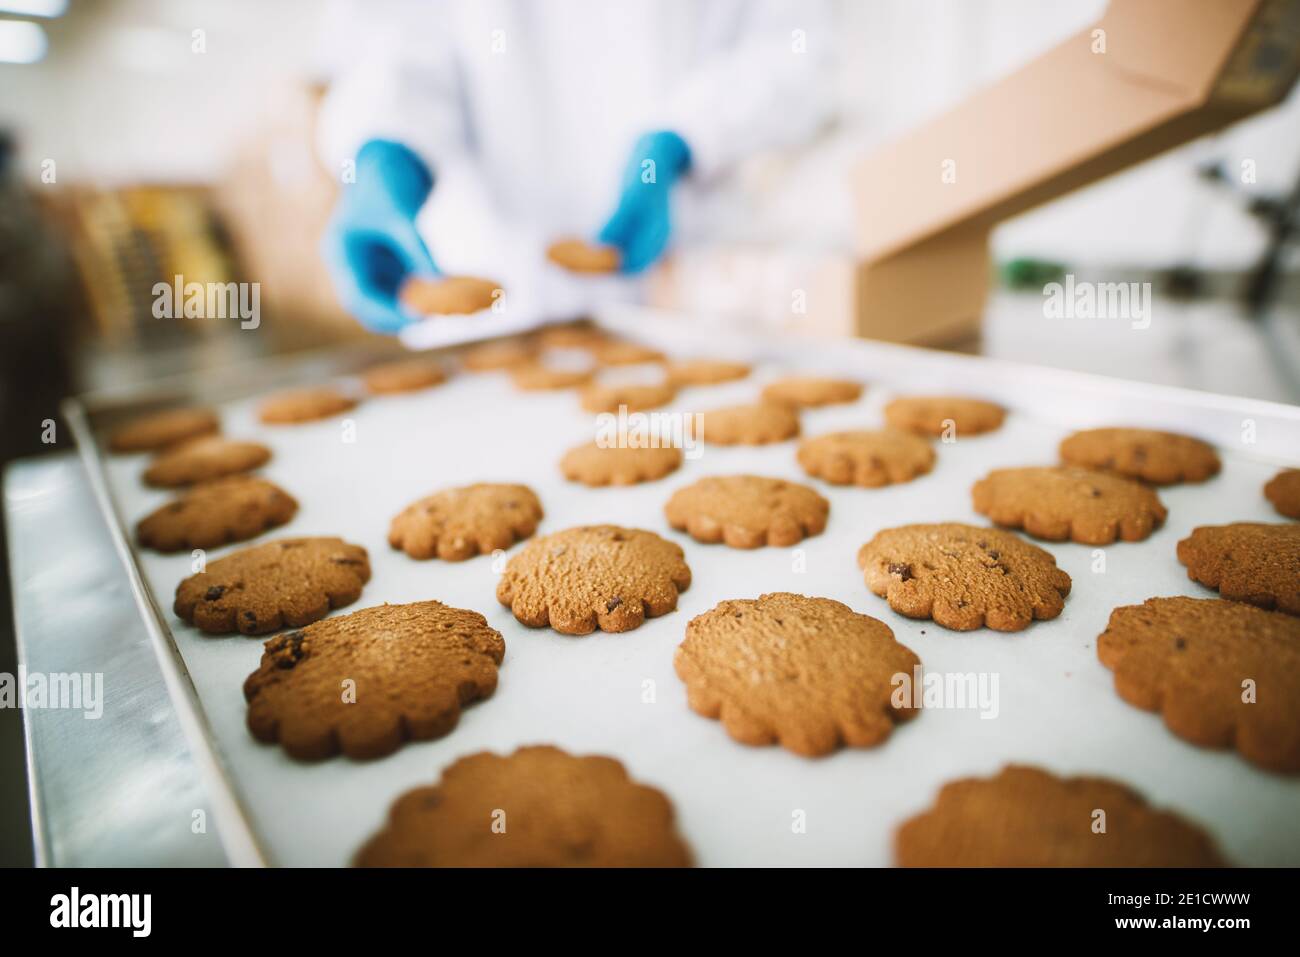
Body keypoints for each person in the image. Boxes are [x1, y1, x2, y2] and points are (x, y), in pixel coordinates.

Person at [316, 0, 833, 337]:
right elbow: (392, 38)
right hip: (485, 287)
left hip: (685, 293)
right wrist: (386, 150)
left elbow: (794, 43)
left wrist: (686, 136)